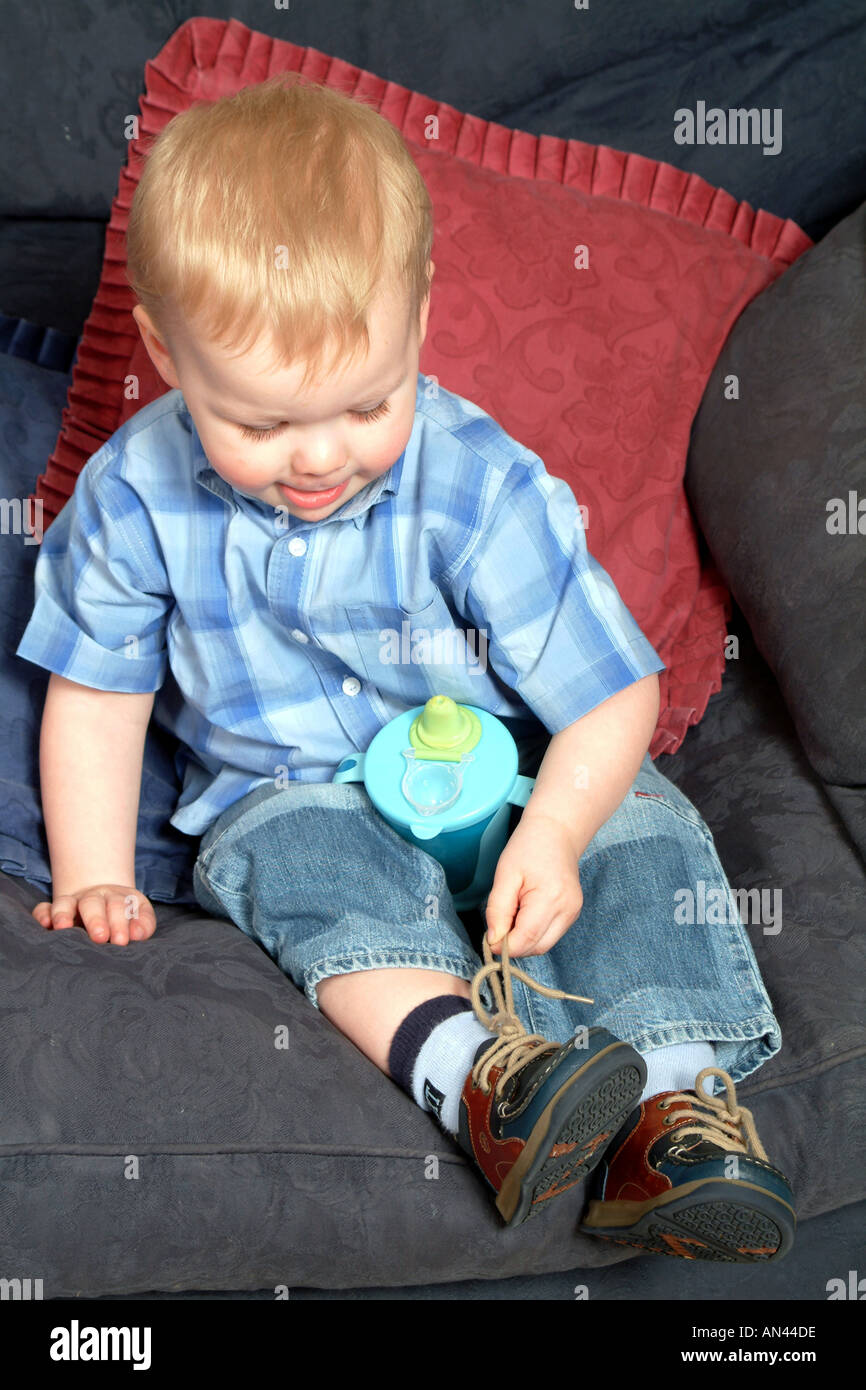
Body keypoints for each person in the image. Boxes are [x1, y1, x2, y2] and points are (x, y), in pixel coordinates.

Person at [16, 73, 795, 1258]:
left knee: (634, 829)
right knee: (307, 872)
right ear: (169, 356)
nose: (319, 456)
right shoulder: (133, 495)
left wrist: (554, 829)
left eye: (364, 404)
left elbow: (607, 693)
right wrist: (95, 870)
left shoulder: (476, 481)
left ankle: (677, 1116)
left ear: (419, 319)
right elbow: (99, 692)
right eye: (262, 427)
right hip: (295, 786)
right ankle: (484, 1080)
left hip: (503, 769)